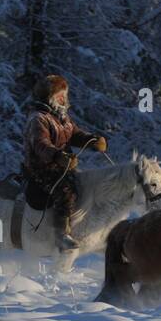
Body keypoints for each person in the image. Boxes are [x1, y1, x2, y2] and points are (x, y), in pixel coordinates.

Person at [22, 75, 107, 250]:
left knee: (83, 185)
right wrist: (58, 156)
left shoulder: (62, 117)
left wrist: (92, 140)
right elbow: (40, 144)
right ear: (50, 97)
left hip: (62, 166)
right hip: (43, 168)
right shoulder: (38, 118)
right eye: (60, 94)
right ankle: (61, 235)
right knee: (65, 190)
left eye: (64, 94)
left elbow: (75, 134)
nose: (64, 98)